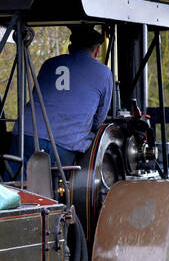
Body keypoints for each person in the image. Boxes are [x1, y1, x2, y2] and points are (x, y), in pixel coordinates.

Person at [14, 23, 114, 169]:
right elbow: (99, 119)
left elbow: (37, 97)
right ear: (97, 51)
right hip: (64, 141)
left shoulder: (50, 64)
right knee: (55, 187)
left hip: (26, 132)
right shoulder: (104, 73)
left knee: (13, 185)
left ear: (70, 48)